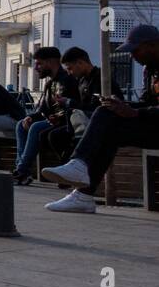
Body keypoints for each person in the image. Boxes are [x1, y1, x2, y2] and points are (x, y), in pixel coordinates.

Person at [42, 25, 159, 213]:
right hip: (154, 126)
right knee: (106, 114)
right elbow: (147, 103)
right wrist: (122, 105)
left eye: (135, 50)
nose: (133, 56)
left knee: (105, 116)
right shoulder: (149, 69)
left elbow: (144, 110)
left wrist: (136, 113)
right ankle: (83, 194)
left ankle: (79, 168)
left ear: (152, 45)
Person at [12, 47, 77, 185]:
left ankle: (21, 170)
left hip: (65, 122)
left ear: (51, 62)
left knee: (36, 127)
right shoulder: (49, 84)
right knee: (21, 124)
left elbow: (72, 107)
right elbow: (43, 110)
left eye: (39, 64)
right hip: (52, 120)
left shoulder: (68, 80)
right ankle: (23, 170)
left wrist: (55, 118)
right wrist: (31, 117)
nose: (36, 68)